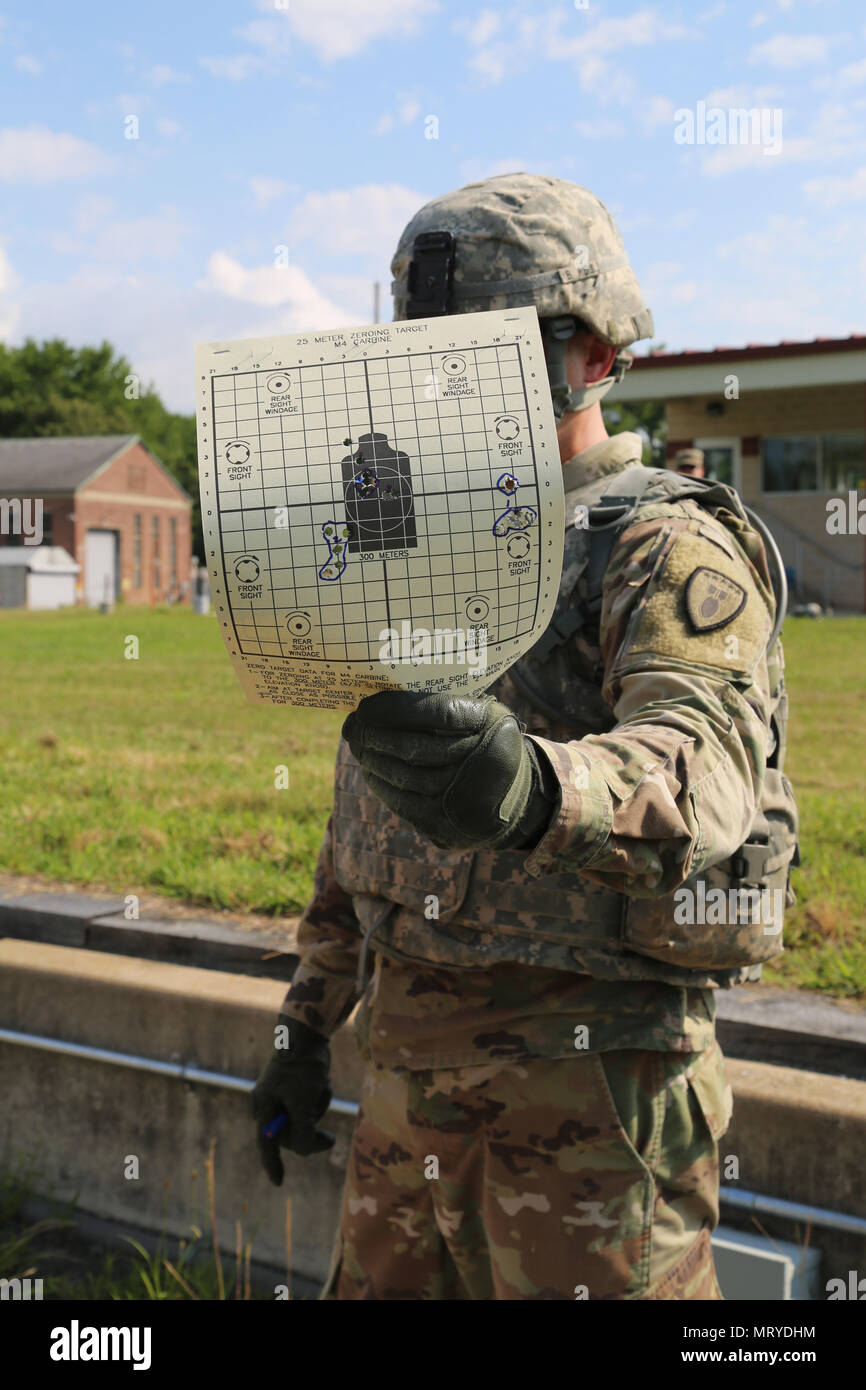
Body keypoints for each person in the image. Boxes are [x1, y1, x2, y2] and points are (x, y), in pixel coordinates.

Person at [251, 173, 796, 1300]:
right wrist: (306, 1024)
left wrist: (531, 789)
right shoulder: (408, 537)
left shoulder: (661, 545)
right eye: (429, 351)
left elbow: (702, 767)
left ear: (592, 353)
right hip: (406, 1084)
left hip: (592, 1099)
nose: (452, 379)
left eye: (492, 347)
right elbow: (368, 807)